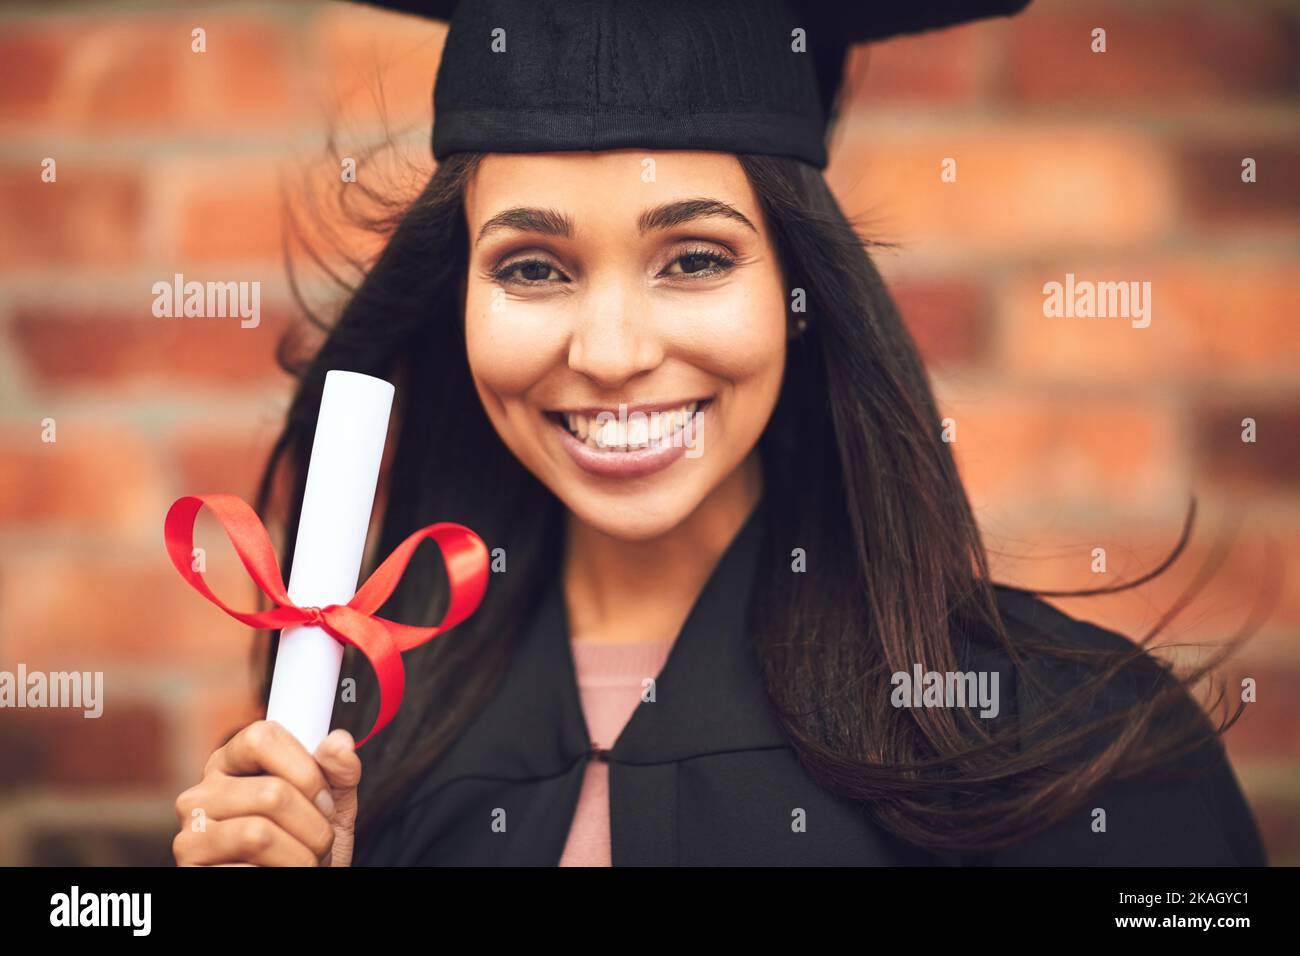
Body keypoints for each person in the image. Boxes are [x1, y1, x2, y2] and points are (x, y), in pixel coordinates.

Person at [171, 0, 1267, 867]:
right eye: (531, 267)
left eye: (693, 257)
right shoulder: (352, 735)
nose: (608, 349)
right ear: (458, 293)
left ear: (802, 285)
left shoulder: (1065, 738)